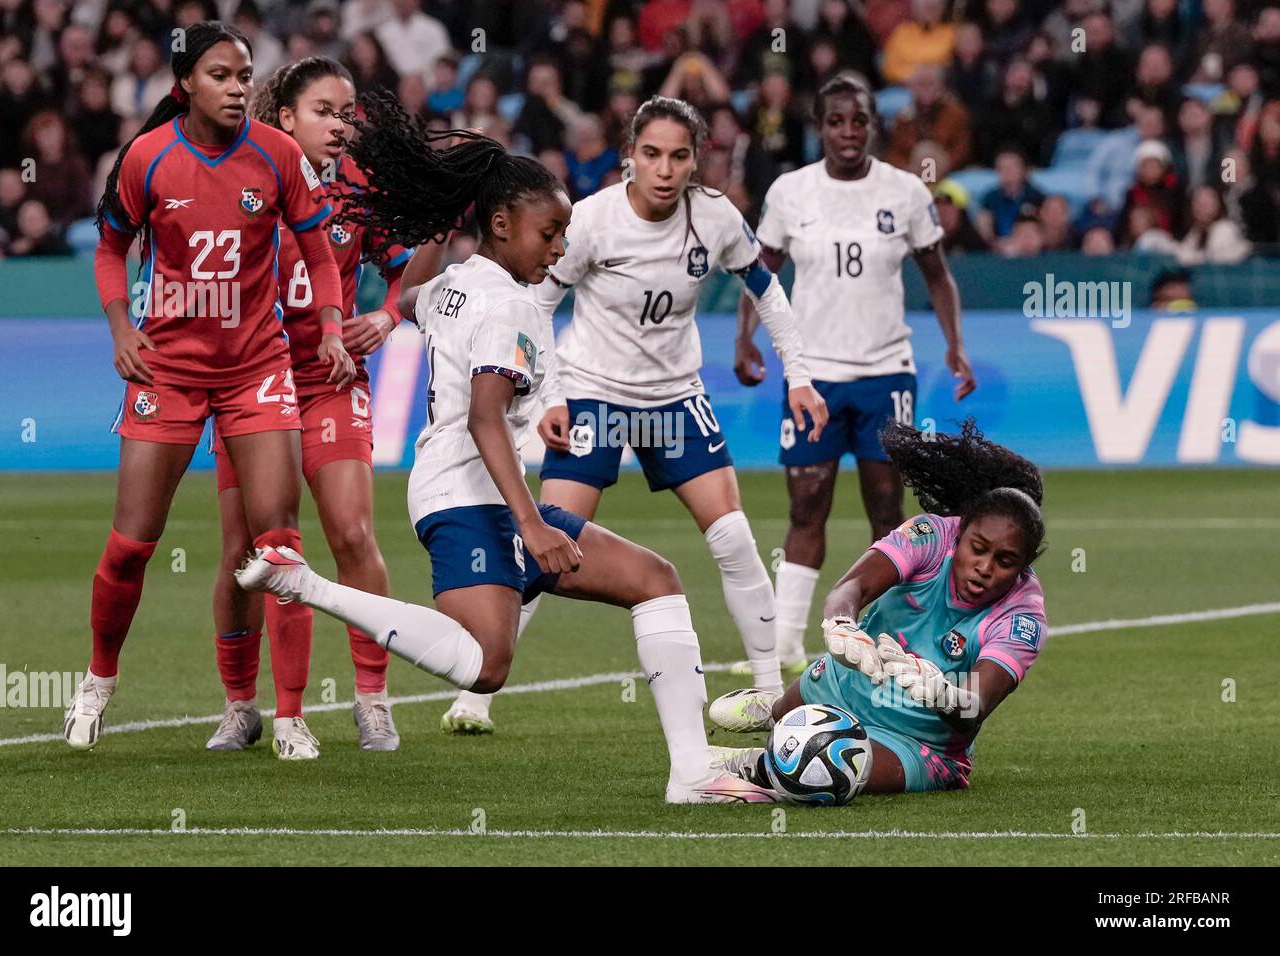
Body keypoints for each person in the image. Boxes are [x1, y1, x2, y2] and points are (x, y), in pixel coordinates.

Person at [235, 90, 771, 804]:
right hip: (469, 497)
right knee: (485, 667)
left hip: (462, 490)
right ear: (499, 223)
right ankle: (304, 583)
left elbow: (418, 292)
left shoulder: (462, 282)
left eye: (564, 234)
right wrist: (533, 525)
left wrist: (422, 248)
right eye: (549, 234)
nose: (559, 249)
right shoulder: (509, 303)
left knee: (656, 579)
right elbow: (487, 419)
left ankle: (691, 773)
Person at [439, 94, 828, 735]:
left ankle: (770, 694)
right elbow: (539, 303)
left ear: (696, 160)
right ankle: (478, 693)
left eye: (679, 155)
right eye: (652, 154)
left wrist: (802, 378)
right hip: (593, 393)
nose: (666, 169)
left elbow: (767, 289)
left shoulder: (716, 219)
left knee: (732, 536)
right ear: (630, 159)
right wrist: (551, 394)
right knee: (546, 540)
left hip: (675, 396)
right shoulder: (590, 221)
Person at [63, 21, 355, 753]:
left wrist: (325, 320)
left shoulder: (278, 154)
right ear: (186, 82)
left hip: (257, 369)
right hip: (168, 370)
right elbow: (109, 247)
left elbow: (319, 251)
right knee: (132, 545)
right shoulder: (148, 158)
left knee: (278, 545)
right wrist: (121, 326)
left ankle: (289, 716)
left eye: (244, 75)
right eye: (221, 75)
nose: (235, 88)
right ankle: (98, 680)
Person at [204, 56, 442, 758]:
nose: (340, 126)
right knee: (242, 554)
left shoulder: (358, 194)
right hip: (249, 389)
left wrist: (391, 314)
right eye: (323, 112)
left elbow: (415, 265)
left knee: (352, 535)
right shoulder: (238, 185)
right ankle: (242, 706)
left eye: (346, 114)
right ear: (283, 117)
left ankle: (372, 700)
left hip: (331, 383)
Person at [731, 72, 975, 679]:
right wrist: (744, 337)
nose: (848, 131)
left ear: (874, 125)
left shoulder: (906, 192)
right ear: (820, 127)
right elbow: (761, 272)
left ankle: (883, 637)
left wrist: (955, 346)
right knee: (807, 503)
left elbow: (937, 274)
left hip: (885, 371)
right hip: (810, 375)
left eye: (859, 120)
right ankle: (786, 641)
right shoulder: (791, 192)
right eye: (836, 121)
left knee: (886, 505)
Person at [711, 419, 1049, 796]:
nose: (985, 567)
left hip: (916, 743)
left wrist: (943, 693)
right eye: (978, 548)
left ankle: (756, 764)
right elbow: (852, 587)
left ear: (1023, 566)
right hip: (846, 683)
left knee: (826, 769)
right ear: (961, 529)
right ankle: (776, 710)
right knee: (795, 718)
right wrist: (840, 622)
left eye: (1005, 561)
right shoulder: (932, 536)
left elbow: (976, 704)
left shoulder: (1024, 616)